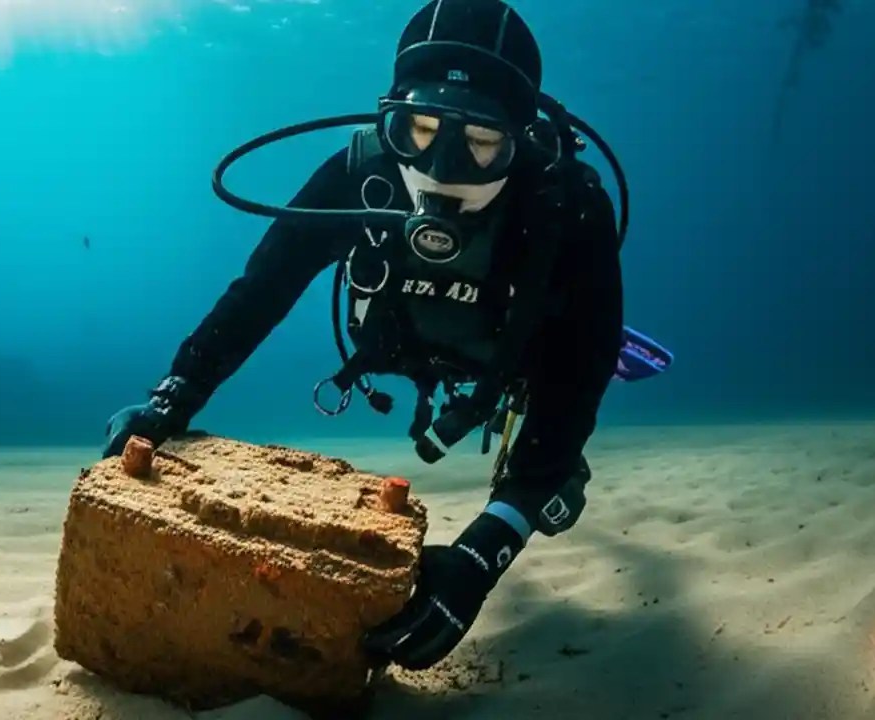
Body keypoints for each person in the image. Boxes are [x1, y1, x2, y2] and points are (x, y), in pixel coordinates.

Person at [101, 0, 673, 672]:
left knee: (558, 447)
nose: (445, 167)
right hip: (402, 342)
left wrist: (486, 549)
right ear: (389, 119)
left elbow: (577, 383)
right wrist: (175, 394)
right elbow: (261, 291)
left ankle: (544, 420)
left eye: (483, 143)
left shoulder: (567, 210)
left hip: (510, 358)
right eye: (420, 131)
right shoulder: (359, 174)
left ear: (520, 146)